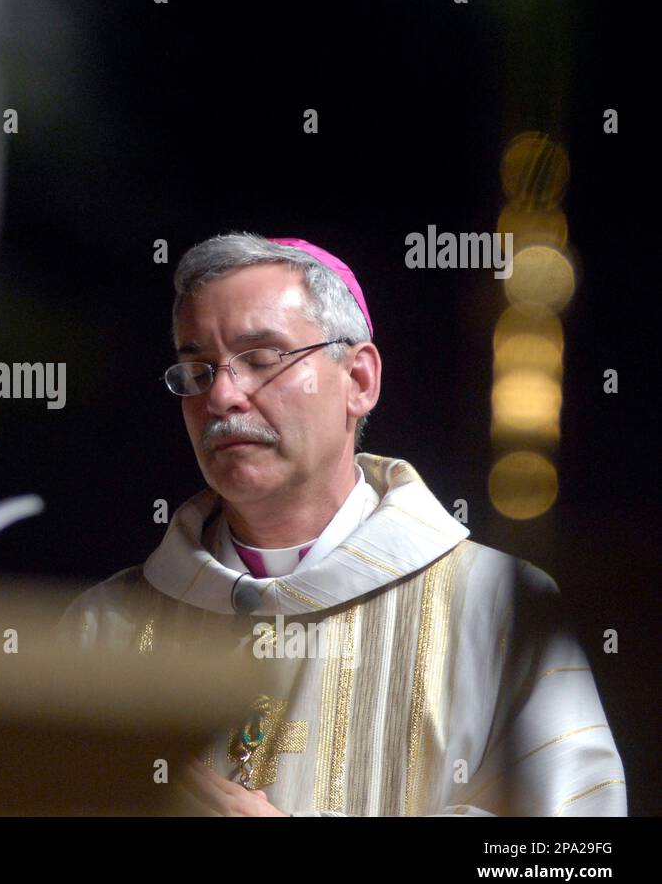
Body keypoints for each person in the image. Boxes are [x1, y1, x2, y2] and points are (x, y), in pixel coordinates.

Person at [55, 232, 627, 817]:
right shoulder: (109, 625)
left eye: (260, 359)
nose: (222, 394)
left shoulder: (498, 608)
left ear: (358, 381)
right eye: (197, 369)